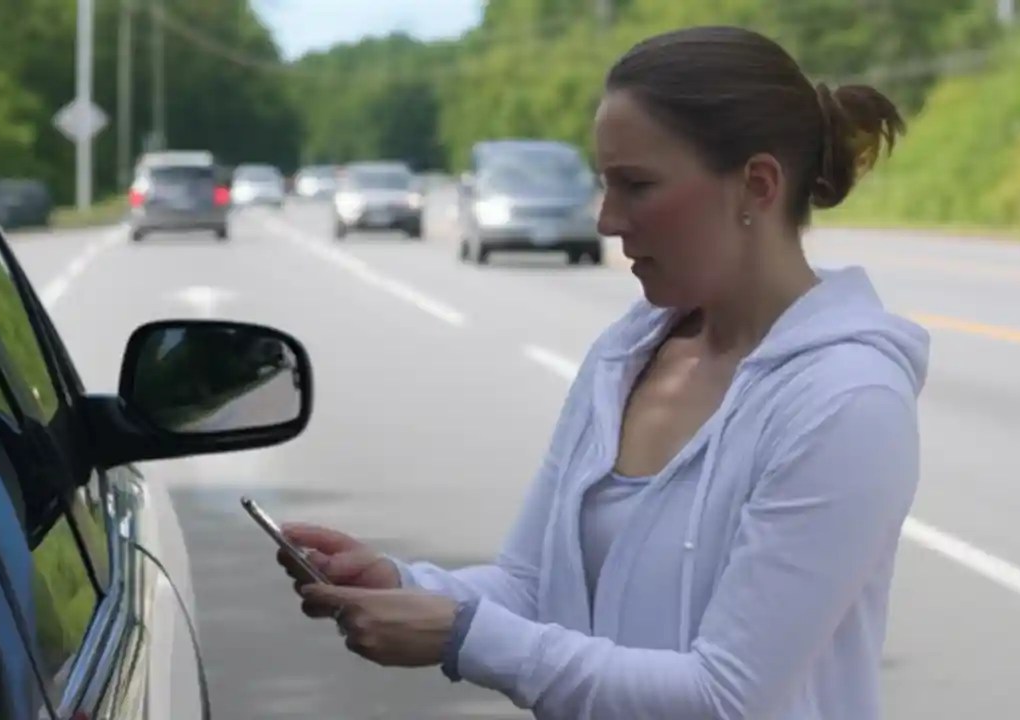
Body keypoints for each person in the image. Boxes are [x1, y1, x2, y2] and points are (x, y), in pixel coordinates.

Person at [278, 25, 930, 720]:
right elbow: (534, 587)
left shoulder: (846, 400)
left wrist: (460, 635)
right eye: (604, 184)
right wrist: (402, 585)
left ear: (757, 185)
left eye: (637, 185)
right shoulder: (628, 352)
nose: (607, 220)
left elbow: (726, 697)